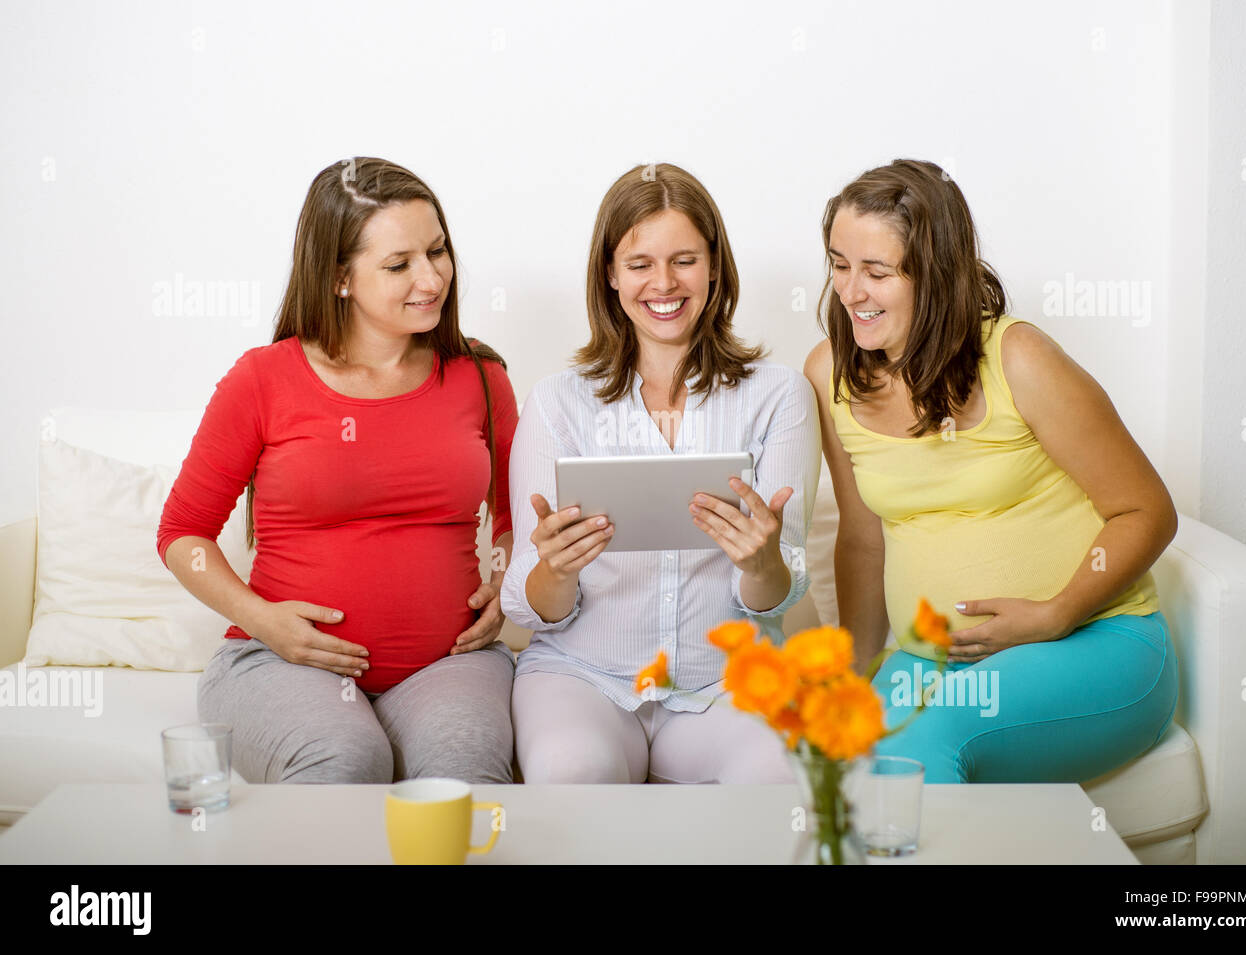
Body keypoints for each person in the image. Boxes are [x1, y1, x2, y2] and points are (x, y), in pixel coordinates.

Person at [804, 158, 1179, 783]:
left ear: (938, 271)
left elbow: (1147, 511)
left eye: (876, 272)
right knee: (830, 750)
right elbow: (863, 539)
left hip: (1095, 643)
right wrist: (857, 672)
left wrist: (1056, 612)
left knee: (924, 735)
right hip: (936, 658)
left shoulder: (1018, 358)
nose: (850, 293)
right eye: (840, 265)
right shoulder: (830, 374)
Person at [157, 157, 519, 784]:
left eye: (438, 252)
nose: (431, 278)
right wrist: (265, 620)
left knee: (460, 771)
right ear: (339, 278)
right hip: (281, 664)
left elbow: (520, 520)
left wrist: (506, 589)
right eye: (399, 264)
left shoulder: (479, 377)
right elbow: (181, 534)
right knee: (345, 758)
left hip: (447, 663)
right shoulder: (262, 380)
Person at [499, 162, 821, 784]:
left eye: (685, 259)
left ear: (715, 268)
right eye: (640, 263)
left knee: (779, 775)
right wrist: (554, 570)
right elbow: (533, 605)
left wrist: (761, 563)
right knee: (571, 773)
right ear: (611, 276)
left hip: (725, 682)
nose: (664, 283)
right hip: (582, 677)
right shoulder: (556, 402)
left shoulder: (778, 396)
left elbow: (777, 597)